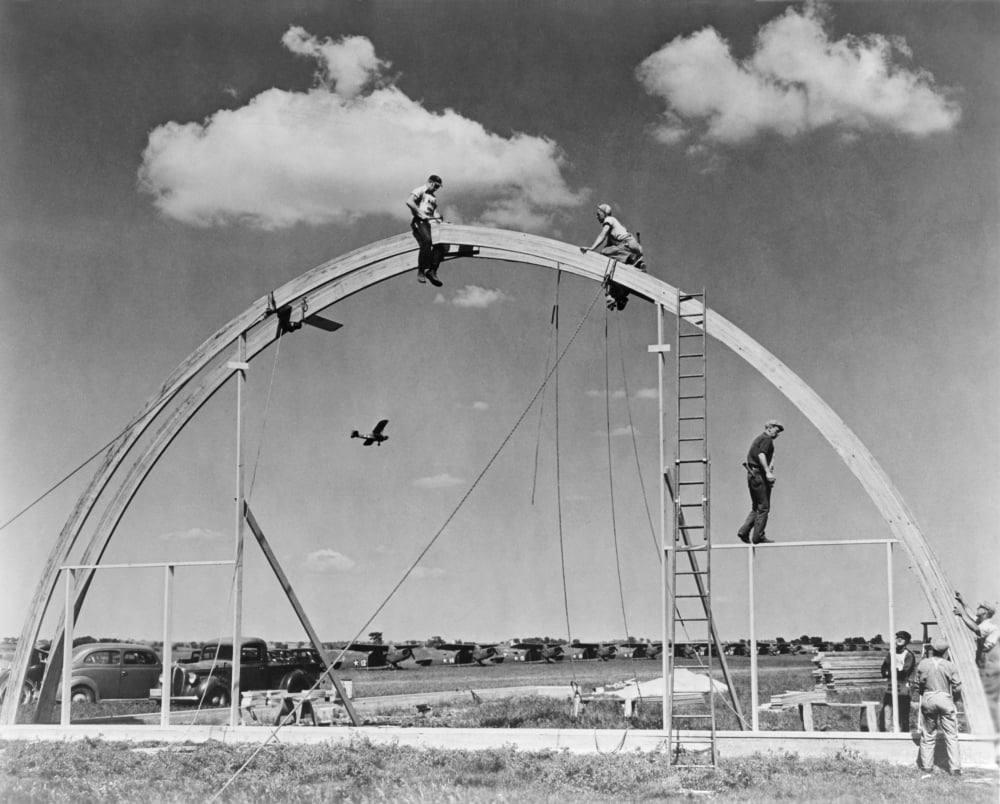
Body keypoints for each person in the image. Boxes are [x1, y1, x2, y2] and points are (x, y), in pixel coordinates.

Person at [580, 203, 646, 310]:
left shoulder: (609, 220)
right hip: (634, 247)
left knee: (603, 254)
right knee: (615, 269)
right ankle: (634, 266)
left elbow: (602, 235)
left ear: (604, 213)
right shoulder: (616, 229)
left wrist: (592, 248)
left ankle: (632, 260)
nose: (596, 217)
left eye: (598, 214)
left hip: (627, 246)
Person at [913, 636, 962, 776]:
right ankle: (955, 768)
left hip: (928, 698)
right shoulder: (950, 665)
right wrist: (955, 699)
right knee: (951, 735)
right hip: (945, 698)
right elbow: (957, 687)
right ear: (945, 651)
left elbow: (917, 685)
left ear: (932, 649)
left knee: (928, 734)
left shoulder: (923, 664)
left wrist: (924, 694)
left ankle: (927, 767)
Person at [953, 592, 1000, 731]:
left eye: (980, 607)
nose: (977, 608)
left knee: (988, 699)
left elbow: (975, 628)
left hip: (990, 666)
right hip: (985, 665)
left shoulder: (988, 627)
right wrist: (963, 602)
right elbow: (972, 616)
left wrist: (960, 615)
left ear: (985, 612)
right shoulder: (983, 622)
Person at [736, 420, 784, 544]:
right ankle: (758, 536)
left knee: (756, 507)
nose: (777, 434)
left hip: (752, 475)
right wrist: (768, 472)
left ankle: (744, 531)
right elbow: (761, 455)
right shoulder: (767, 439)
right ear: (770, 428)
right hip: (758, 475)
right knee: (763, 508)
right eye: (776, 431)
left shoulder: (760, 439)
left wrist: (770, 465)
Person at [406, 174, 445, 287]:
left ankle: (432, 271)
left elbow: (434, 212)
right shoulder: (420, 190)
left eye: (438, 187)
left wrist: (441, 221)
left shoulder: (433, 197)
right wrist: (421, 214)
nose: (437, 189)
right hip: (419, 221)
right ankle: (421, 271)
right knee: (427, 241)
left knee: (440, 244)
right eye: (436, 186)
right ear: (431, 182)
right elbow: (409, 202)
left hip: (430, 222)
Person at [880, 630, 917, 731]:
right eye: (898, 637)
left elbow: (905, 673)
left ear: (907, 641)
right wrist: (893, 672)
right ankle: (886, 734)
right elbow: (883, 668)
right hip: (890, 688)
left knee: (903, 716)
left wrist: (891, 672)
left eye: (902, 638)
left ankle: (903, 735)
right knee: (886, 713)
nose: (899, 639)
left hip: (903, 690)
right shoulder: (891, 652)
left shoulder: (909, 654)